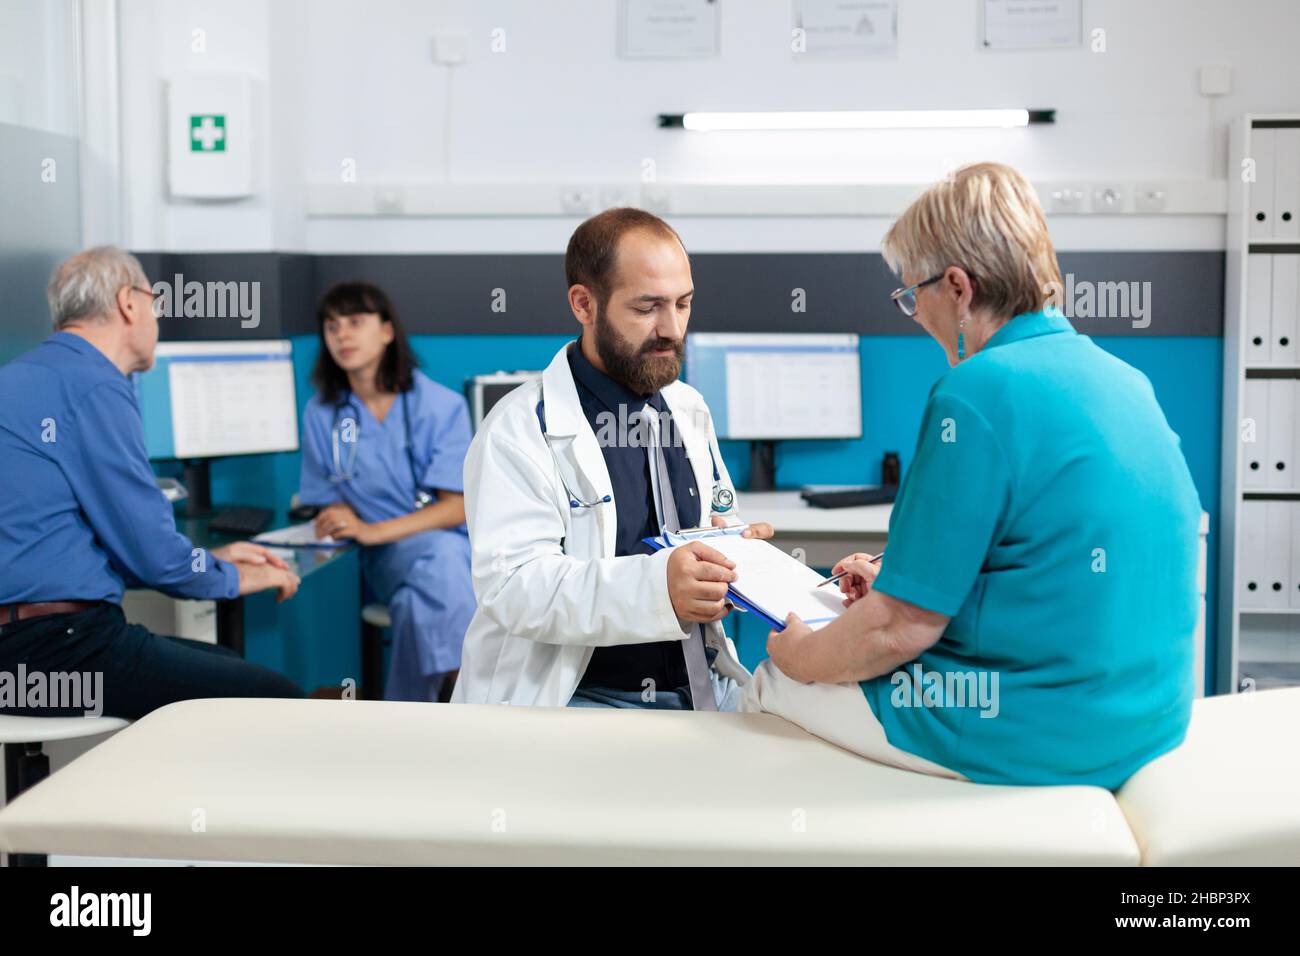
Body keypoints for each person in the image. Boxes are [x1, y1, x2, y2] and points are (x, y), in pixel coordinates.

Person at [741, 163, 1202, 789]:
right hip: (1149, 721)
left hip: (1043, 732)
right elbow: (1046, 562)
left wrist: (800, 657)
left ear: (957, 288)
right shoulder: (1123, 380)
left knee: (773, 682)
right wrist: (894, 581)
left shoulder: (976, 391)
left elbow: (901, 627)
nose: (914, 313)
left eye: (911, 296)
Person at [453, 207, 773, 709]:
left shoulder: (687, 408)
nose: (672, 328)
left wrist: (733, 552)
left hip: (699, 679)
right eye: (647, 308)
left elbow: (710, 521)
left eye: (683, 304)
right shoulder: (519, 430)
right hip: (579, 692)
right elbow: (513, 587)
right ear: (584, 304)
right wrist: (660, 585)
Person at [0, 247, 304, 719]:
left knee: (224, 667)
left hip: (20, 660)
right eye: (155, 301)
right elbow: (156, 559)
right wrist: (236, 577)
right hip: (57, 653)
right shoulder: (95, 383)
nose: (158, 317)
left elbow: (51, 545)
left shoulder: (20, 377)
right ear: (128, 303)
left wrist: (211, 557)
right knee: (277, 698)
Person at [299, 282, 474, 702]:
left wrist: (372, 529)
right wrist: (340, 514)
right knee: (444, 565)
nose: (342, 335)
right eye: (332, 326)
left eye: (355, 322)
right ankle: (468, 686)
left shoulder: (441, 405)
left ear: (387, 331)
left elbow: (458, 509)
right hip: (385, 560)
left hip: (444, 546)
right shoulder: (322, 414)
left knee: (419, 600)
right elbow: (325, 493)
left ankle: (412, 712)